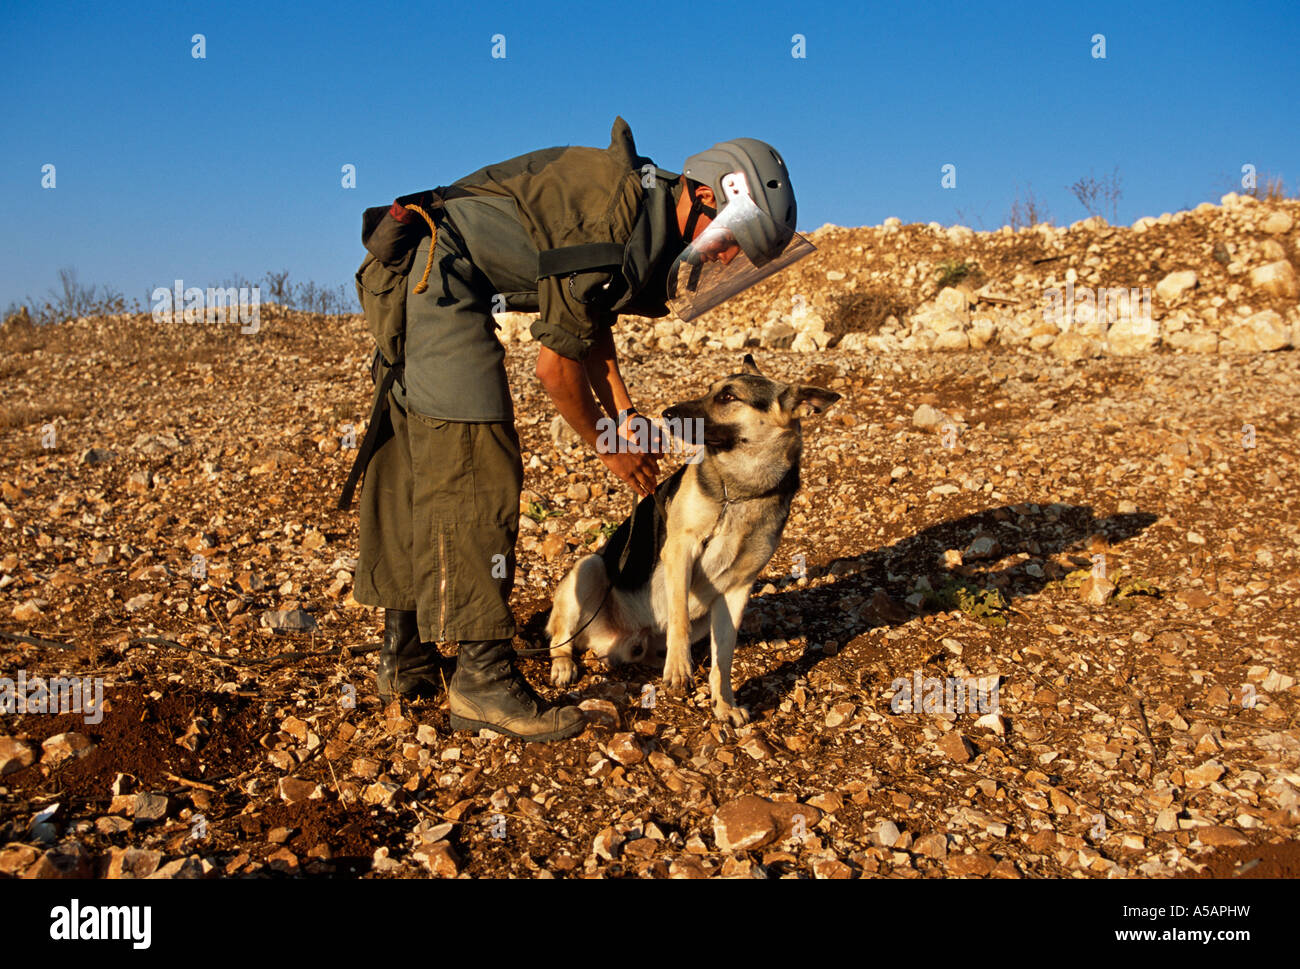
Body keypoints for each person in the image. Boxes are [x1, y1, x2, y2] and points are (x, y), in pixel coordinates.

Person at [345, 117, 809, 742]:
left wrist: (623, 416)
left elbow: (591, 321)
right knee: (476, 463)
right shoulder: (621, 218)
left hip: (417, 271)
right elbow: (556, 368)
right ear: (706, 194)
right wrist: (610, 449)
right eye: (730, 240)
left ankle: (406, 659)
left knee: (415, 468)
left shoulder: (642, 210)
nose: (725, 256)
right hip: (436, 279)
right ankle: (482, 682)